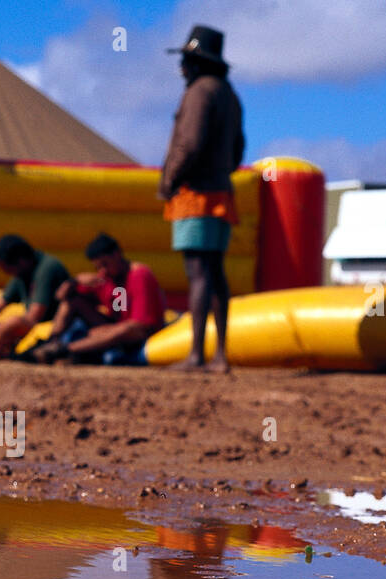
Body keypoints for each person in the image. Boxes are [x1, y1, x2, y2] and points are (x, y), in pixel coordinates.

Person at [160, 25, 244, 373]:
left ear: (196, 62)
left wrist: (170, 179)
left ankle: (196, 354)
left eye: (186, 59)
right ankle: (220, 355)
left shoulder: (198, 92)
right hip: (221, 193)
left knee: (197, 272)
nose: (181, 66)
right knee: (215, 272)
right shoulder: (228, 93)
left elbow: (189, 143)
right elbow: (239, 146)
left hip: (195, 195)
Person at [31, 232, 167, 365]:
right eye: (98, 267)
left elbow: (141, 326)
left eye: (105, 264)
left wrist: (104, 332)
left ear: (117, 254)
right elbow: (61, 296)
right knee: (73, 301)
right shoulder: (105, 278)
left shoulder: (139, 274)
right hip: (115, 327)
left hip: (138, 333)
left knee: (125, 329)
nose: (103, 270)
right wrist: (75, 281)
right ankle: (52, 342)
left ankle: (64, 350)